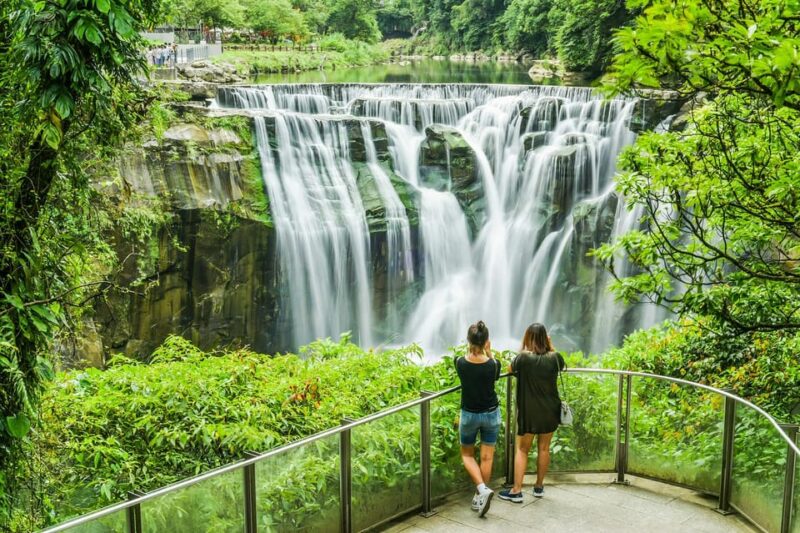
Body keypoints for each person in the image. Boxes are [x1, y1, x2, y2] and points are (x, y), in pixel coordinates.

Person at [499, 323, 565, 503]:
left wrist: (525, 348)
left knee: (522, 449)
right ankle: (538, 487)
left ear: (528, 338)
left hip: (529, 411)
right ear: (545, 338)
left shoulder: (523, 358)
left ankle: (516, 490)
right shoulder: (555, 357)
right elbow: (561, 365)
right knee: (544, 448)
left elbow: (509, 369)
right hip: (550, 409)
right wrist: (550, 346)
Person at [455, 320, 501, 517]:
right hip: (491, 414)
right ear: (486, 342)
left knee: (467, 455)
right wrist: (489, 352)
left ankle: (481, 490)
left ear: (468, 340)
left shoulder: (460, 362)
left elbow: (467, 360)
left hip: (469, 415)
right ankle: (481, 494)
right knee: (486, 457)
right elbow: (495, 372)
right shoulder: (493, 364)